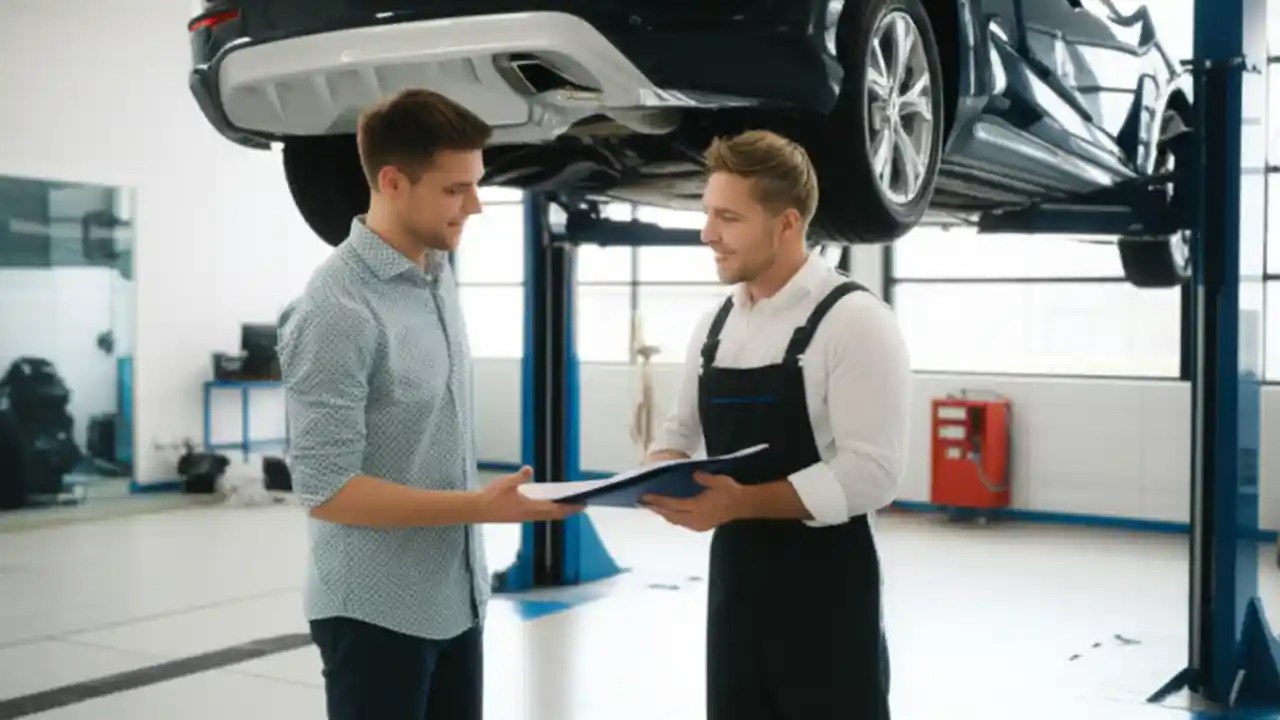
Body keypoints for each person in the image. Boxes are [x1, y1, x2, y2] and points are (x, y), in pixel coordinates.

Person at [277, 88, 581, 720]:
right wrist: (478, 507)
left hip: (455, 601)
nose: (474, 205)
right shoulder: (337, 308)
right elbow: (328, 490)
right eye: (454, 190)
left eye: (476, 185)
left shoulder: (435, 272)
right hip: (375, 614)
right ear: (392, 182)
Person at [639, 129, 911, 720]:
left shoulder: (856, 321)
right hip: (735, 586)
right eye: (708, 212)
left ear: (787, 224)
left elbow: (874, 474)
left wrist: (740, 503)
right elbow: (679, 427)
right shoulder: (715, 323)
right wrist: (659, 468)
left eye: (728, 218)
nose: (707, 233)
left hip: (827, 595)